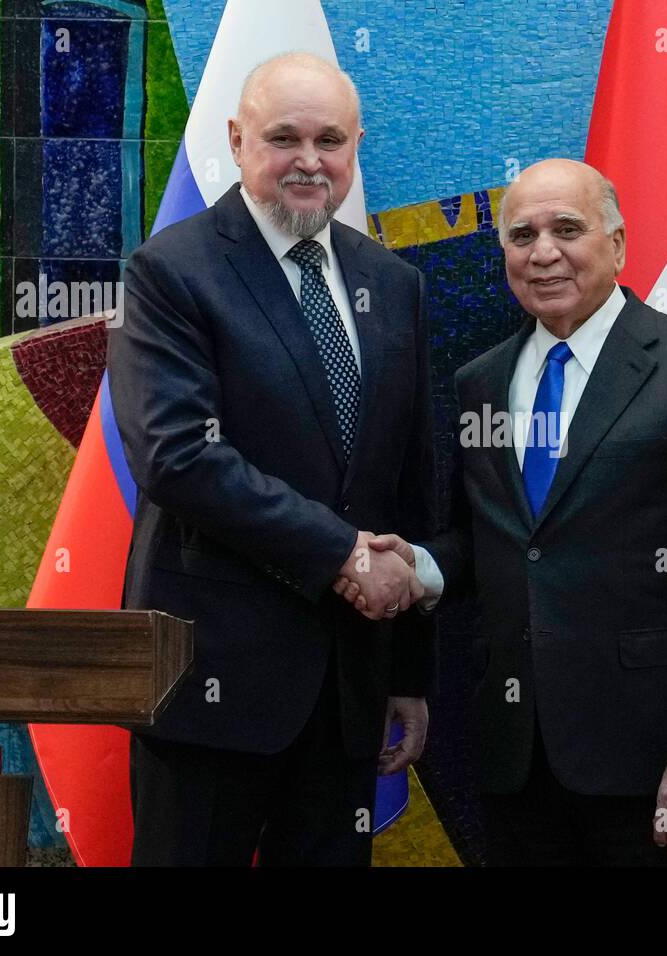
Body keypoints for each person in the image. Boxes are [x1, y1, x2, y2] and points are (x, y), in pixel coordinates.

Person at [339, 158, 667, 865]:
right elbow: (483, 542)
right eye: (522, 235)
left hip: (651, 761)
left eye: (566, 229)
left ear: (618, 244)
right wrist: (413, 566)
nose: (543, 252)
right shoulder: (481, 382)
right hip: (516, 759)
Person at [108, 52, 435, 866]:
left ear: (356, 145)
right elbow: (178, 456)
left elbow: (410, 483)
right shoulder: (169, 271)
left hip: (347, 692)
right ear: (237, 139)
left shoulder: (393, 284)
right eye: (283, 137)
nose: (309, 160)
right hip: (208, 684)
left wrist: (408, 672)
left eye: (330, 139)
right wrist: (342, 554)